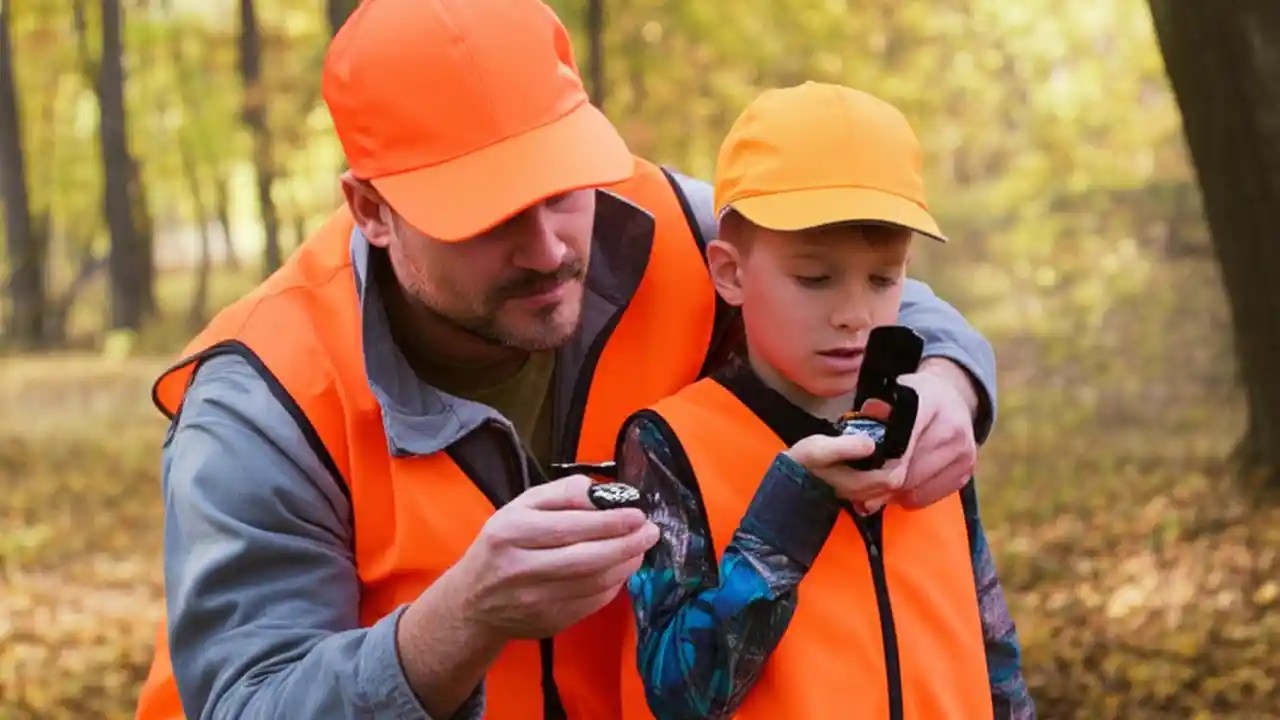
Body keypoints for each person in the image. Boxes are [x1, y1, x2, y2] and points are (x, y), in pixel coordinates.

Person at [132, 1, 1001, 719]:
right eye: (489, 214)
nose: (550, 249)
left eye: (561, 185)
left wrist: (949, 383)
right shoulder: (262, 400)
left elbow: (853, 280)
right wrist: (459, 620)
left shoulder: (661, 225)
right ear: (371, 209)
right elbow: (249, 701)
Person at [616, 82, 1033, 719]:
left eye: (883, 279)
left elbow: (992, 648)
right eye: (814, 279)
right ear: (730, 273)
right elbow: (681, 698)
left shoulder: (924, 423)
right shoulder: (671, 445)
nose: (854, 315)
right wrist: (790, 510)